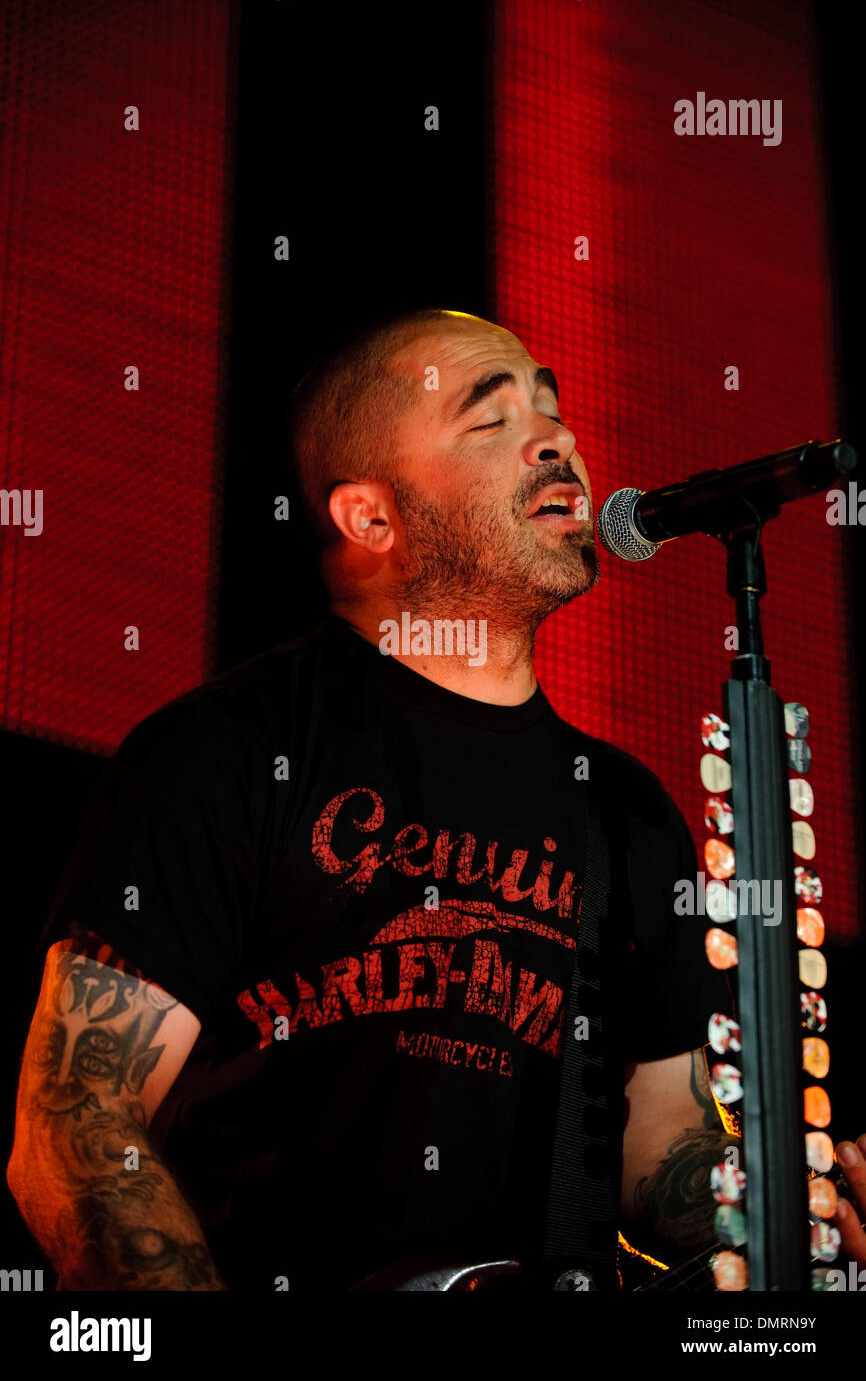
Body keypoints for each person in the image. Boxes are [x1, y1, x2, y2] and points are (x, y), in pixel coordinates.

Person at [8, 308, 866, 1291]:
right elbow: (76, 1126)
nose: (557, 439)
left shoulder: (623, 811)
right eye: (490, 419)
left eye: (550, 409)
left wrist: (778, 1204)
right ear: (369, 516)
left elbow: (655, 1134)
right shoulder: (228, 749)